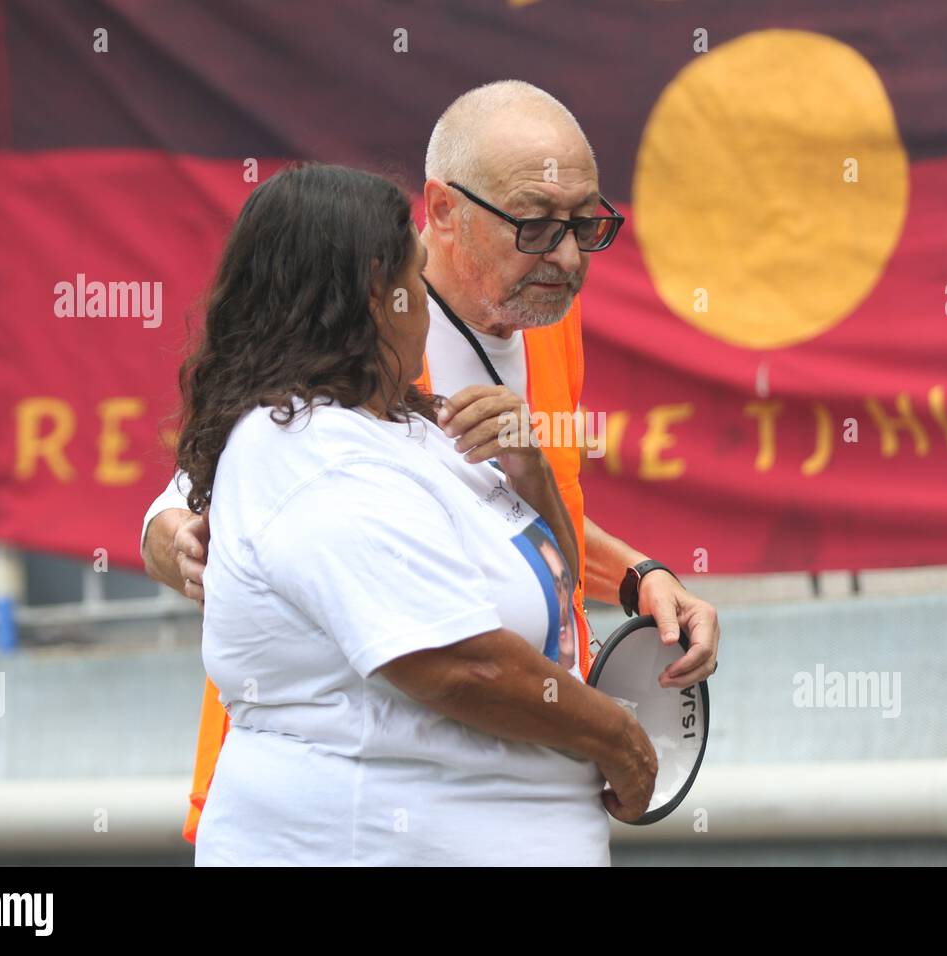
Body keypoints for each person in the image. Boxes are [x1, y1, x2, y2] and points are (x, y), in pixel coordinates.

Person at [142, 80, 719, 842]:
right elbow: (184, 506)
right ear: (444, 212)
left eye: (586, 223)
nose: (570, 256)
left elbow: (505, 523)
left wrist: (644, 578)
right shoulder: (353, 347)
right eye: (539, 226)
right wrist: (177, 542)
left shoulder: (548, 327)